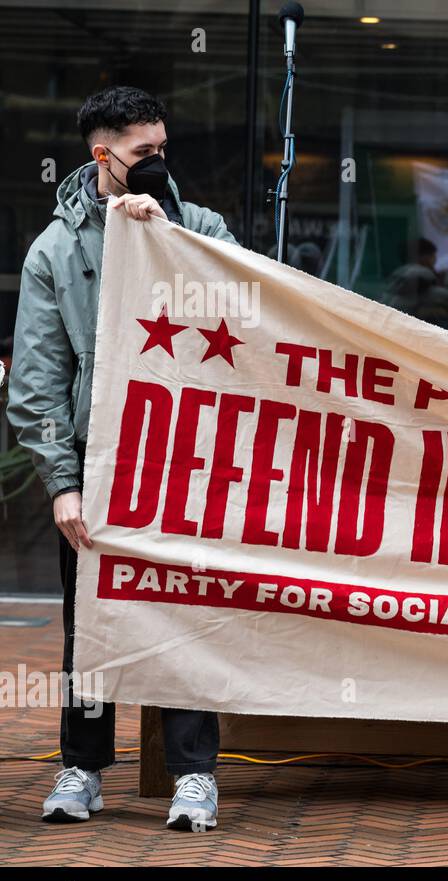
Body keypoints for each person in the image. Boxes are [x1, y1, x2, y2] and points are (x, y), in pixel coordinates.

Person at [7, 86, 239, 830]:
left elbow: (242, 318)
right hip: (100, 456)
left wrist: (166, 238)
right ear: (102, 155)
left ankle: (194, 774)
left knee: (185, 613)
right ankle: (82, 767)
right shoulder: (57, 248)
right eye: (144, 153)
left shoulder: (200, 224)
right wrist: (62, 482)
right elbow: (38, 375)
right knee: (92, 620)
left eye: (164, 149)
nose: (158, 162)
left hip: (183, 458)